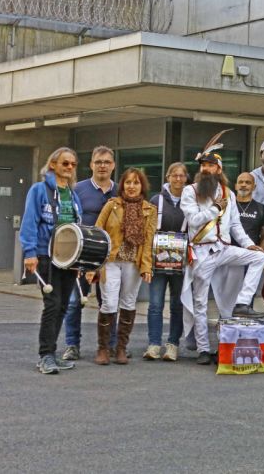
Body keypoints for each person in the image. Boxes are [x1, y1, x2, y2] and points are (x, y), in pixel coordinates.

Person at [180, 144, 264, 365]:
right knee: (200, 302)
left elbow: (236, 225)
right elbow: (193, 220)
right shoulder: (190, 191)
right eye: (204, 165)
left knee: (259, 257)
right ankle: (203, 349)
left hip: (224, 248)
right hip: (201, 252)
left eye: (211, 165)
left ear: (219, 169)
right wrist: (215, 209)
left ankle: (243, 302)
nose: (207, 169)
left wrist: (249, 245)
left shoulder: (228, 193)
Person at [21, 147, 84, 374]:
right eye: (65, 163)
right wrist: (29, 253)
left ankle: (53, 353)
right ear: (52, 165)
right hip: (46, 256)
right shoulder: (39, 191)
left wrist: (79, 260)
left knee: (64, 306)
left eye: (73, 164)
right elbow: (30, 222)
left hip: (69, 259)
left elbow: (78, 229)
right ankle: (45, 355)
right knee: (53, 304)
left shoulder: (74, 196)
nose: (69, 168)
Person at [88, 168, 156, 365]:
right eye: (128, 182)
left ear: (142, 186)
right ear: (122, 185)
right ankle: (103, 348)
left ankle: (121, 348)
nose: (132, 186)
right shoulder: (112, 205)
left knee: (128, 303)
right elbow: (97, 233)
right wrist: (93, 266)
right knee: (109, 303)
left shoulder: (149, 210)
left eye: (136, 183)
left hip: (133, 264)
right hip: (110, 261)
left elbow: (149, 240)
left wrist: (146, 267)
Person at [62, 145, 117, 361]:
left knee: (109, 302)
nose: (102, 166)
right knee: (75, 301)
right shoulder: (77, 189)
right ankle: (72, 345)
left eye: (106, 162)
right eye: (98, 162)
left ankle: (110, 345)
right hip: (81, 256)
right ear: (91, 165)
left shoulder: (120, 190)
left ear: (113, 165)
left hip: (109, 258)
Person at [145, 162, 189, 361]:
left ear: (186, 178)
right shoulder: (156, 200)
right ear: (167, 177)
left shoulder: (191, 200)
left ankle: (173, 344)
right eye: (174, 175)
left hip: (181, 260)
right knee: (155, 304)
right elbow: (148, 229)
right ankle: (154, 344)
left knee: (177, 305)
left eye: (181, 176)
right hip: (158, 260)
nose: (178, 179)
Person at [234, 172, 264, 247]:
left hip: (251, 254)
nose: (243, 185)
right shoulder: (228, 206)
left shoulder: (261, 208)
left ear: (254, 187)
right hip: (228, 253)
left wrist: (261, 251)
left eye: (248, 182)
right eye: (240, 182)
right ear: (236, 186)